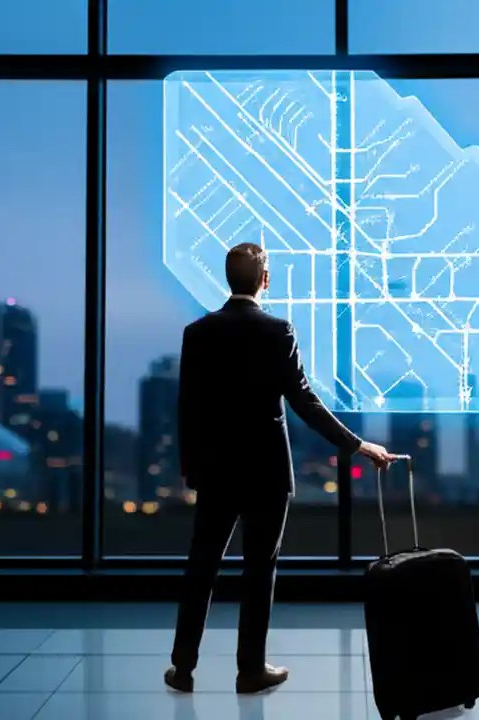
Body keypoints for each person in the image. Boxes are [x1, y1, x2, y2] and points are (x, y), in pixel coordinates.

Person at [165, 242, 395, 694]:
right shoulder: (278, 331)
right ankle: (250, 670)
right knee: (259, 571)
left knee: (201, 567)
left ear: (227, 279)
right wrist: (357, 445)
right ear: (264, 280)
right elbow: (305, 402)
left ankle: (183, 667)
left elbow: (188, 409)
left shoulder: (198, 333)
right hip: (266, 473)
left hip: (214, 472)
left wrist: (192, 469)